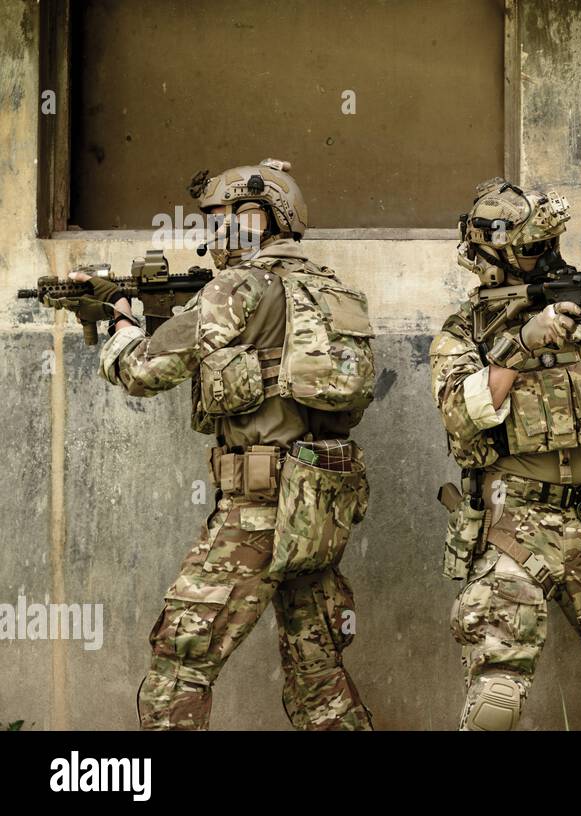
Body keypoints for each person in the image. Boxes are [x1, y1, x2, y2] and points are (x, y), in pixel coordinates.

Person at [48, 159, 376, 729]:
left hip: (260, 510)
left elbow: (143, 371)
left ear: (255, 218)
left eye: (220, 219)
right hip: (321, 504)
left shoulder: (236, 286)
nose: (210, 233)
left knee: (180, 663)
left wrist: (120, 326)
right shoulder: (331, 289)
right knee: (317, 678)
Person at [430, 178, 581, 730]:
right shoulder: (464, 330)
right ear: (490, 254)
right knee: (498, 696)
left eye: (545, 246)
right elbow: (463, 417)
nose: (543, 259)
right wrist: (521, 344)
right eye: (529, 249)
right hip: (516, 521)